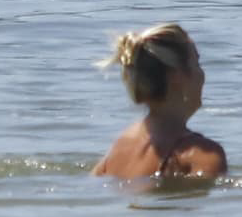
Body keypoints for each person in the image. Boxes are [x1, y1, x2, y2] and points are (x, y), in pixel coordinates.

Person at [93, 24, 227, 180]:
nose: (202, 74)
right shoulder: (202, 155)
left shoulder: (121, 146)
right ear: (177, 77)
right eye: (196, 63)